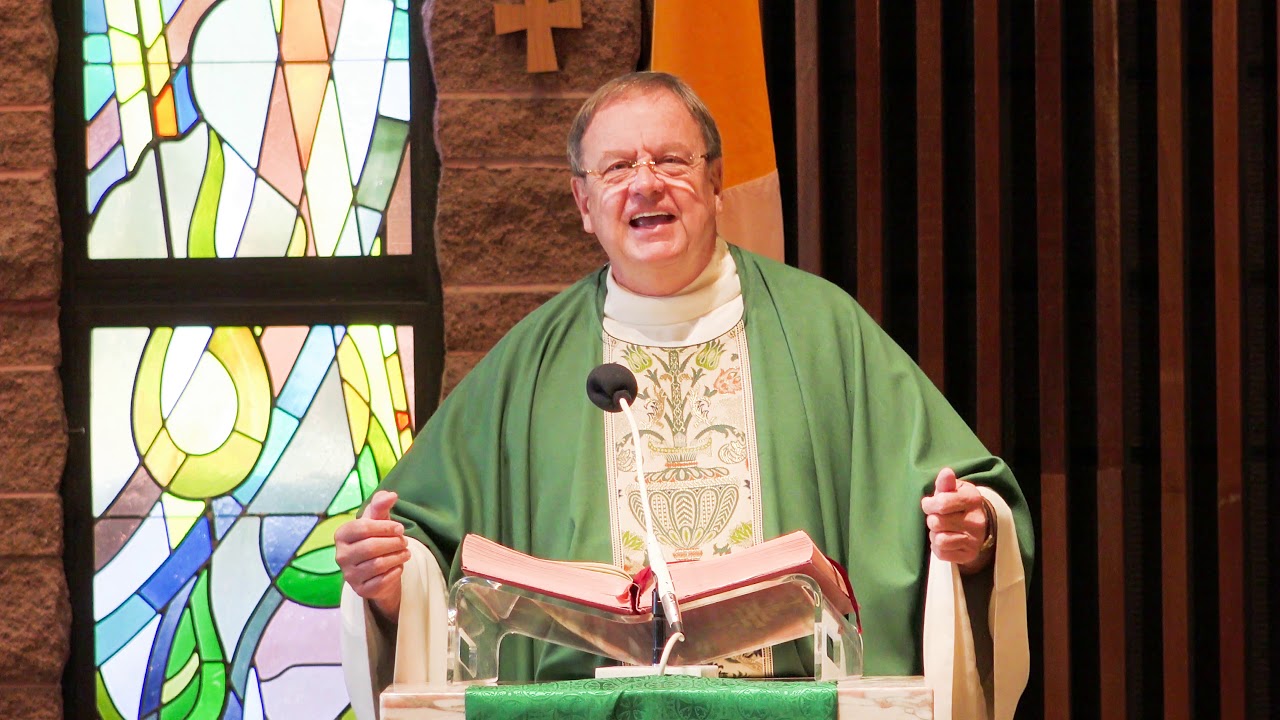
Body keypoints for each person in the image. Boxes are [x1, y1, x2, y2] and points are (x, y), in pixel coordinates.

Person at [337, 71, 1031, 720]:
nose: (646, 186)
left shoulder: (823, 332)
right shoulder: (531, 360)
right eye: (616, 169)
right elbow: (426, 543)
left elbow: (964, 505)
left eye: (671, 161)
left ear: (716, 179)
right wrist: (396, 584)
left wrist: (973, 536)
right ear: (583, 203)